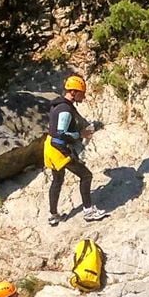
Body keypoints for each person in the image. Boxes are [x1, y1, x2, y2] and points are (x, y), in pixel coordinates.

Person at [44, 76, 100, 226]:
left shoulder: (58, 105)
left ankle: (53, 215)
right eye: (82, 93)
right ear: (73, 92)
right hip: (59, 148)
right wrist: (80, 135)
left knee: (57, 180)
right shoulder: (65, 110)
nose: (84, 96)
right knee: (86, 175)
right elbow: (60, 133)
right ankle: (88, 211)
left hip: (50, 147)